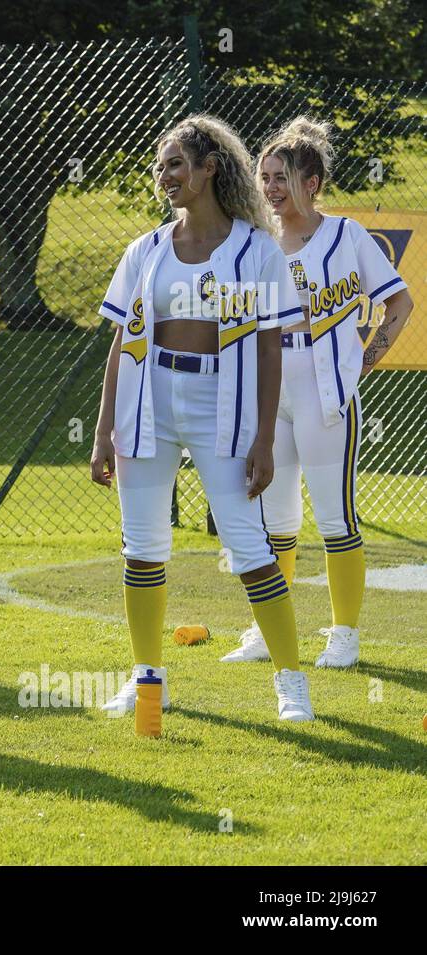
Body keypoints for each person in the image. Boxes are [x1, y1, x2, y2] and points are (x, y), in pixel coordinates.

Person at [90, 114, 314, 722]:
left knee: (250, 547)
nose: (165, 176)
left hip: (226, 405)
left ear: (211, 167)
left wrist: (266, 437)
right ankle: (146, 681)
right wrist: (104, 429)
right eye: (161, 166)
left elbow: (270, 349)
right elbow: (122, 344)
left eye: (176, 164)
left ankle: (291, 681)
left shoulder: (255, 249)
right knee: (141, 549)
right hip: (150, 401)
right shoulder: (147, 250)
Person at [220, 117, 414, 667]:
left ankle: (344, 634)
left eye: (281, 176)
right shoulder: (252, 243)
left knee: (334, 520)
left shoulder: (347, 236)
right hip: (268, 395)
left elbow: (398, 305)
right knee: (274, 523)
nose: (270, 187)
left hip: (325, 395)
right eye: (264, 177)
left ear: (313, 182)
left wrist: (362, 363)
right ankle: (267, 631)